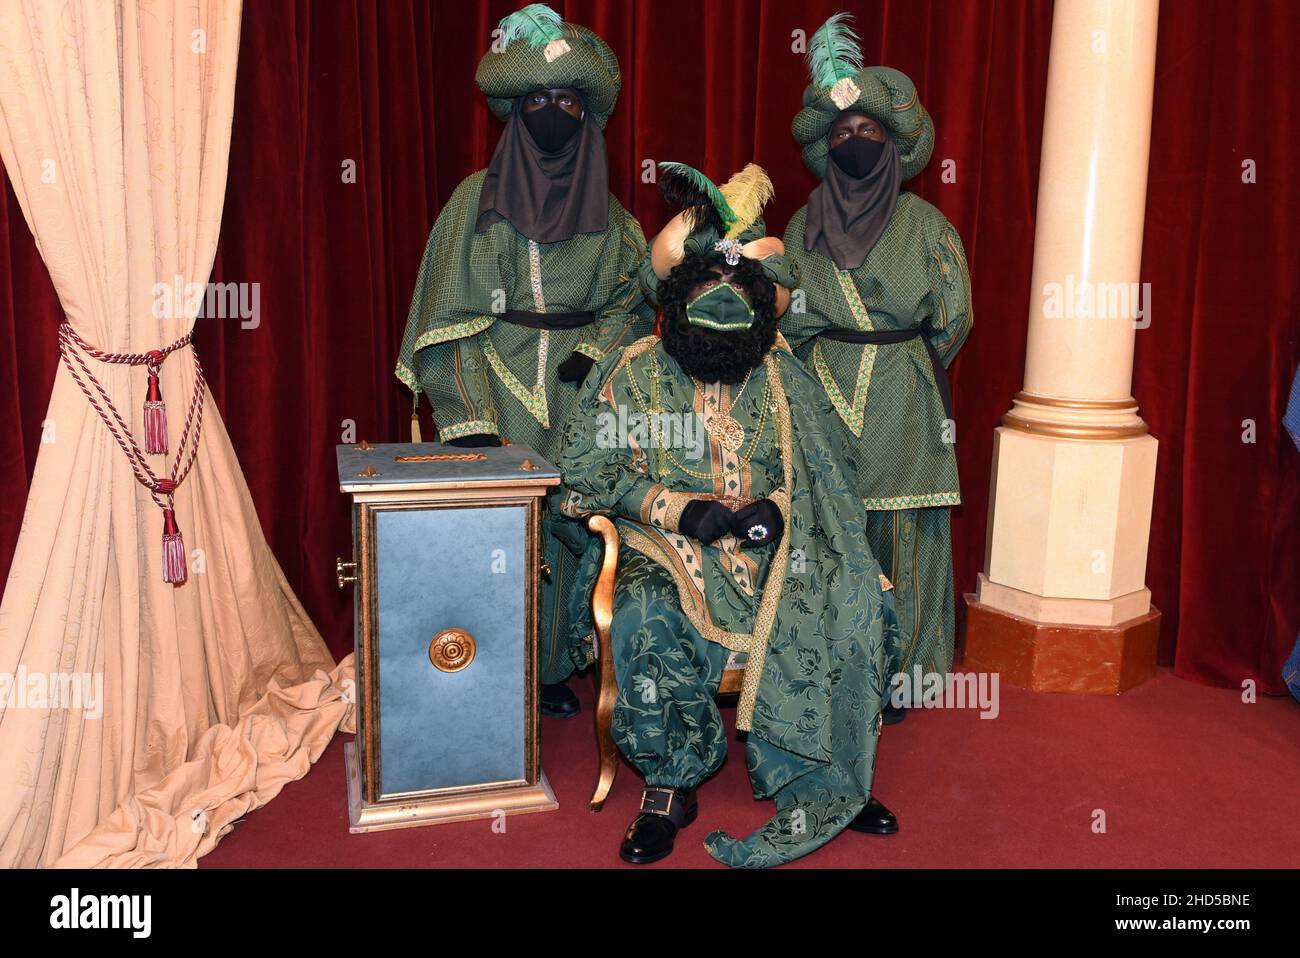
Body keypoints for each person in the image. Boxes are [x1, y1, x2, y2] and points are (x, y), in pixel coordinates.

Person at [557, 163, 901, 867]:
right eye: (705, 285)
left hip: (773, 547)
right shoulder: (634, 368)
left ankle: (827, 770)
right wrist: (680, 510)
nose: (721, 297)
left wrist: (777, 511)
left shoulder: (782, 373)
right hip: (664, 546)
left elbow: (825, 477)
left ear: (760, 299)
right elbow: (586, 474)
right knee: (645, 617)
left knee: (854, 595)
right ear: (677, 296)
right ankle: (668, 783)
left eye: (736, 287)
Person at [395, 3, 654, 717]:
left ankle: (550, 669)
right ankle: (494, 664)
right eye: (535, 100)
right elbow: (444, 318)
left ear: (587, 116)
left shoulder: (615, 218)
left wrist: (597, 353)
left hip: (582, 393)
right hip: (495, 383)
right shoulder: (472, 205)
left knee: (575, 529)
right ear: (514, 112)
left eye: (566, 101)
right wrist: (469, 416)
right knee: (503, 534)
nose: (550, 112)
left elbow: (632, 305)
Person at [781, 13, 973, 711]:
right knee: (831, 537)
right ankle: (833, 666)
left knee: (907, 543)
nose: (853, 142)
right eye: (840, 134)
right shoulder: (802, 226)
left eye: (868, 132)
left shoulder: (928, 225)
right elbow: (784, 314)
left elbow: (954, 318)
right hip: (821, 391)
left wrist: (903, 366)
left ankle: (907, 677)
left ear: (892, 145)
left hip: (906, 397)